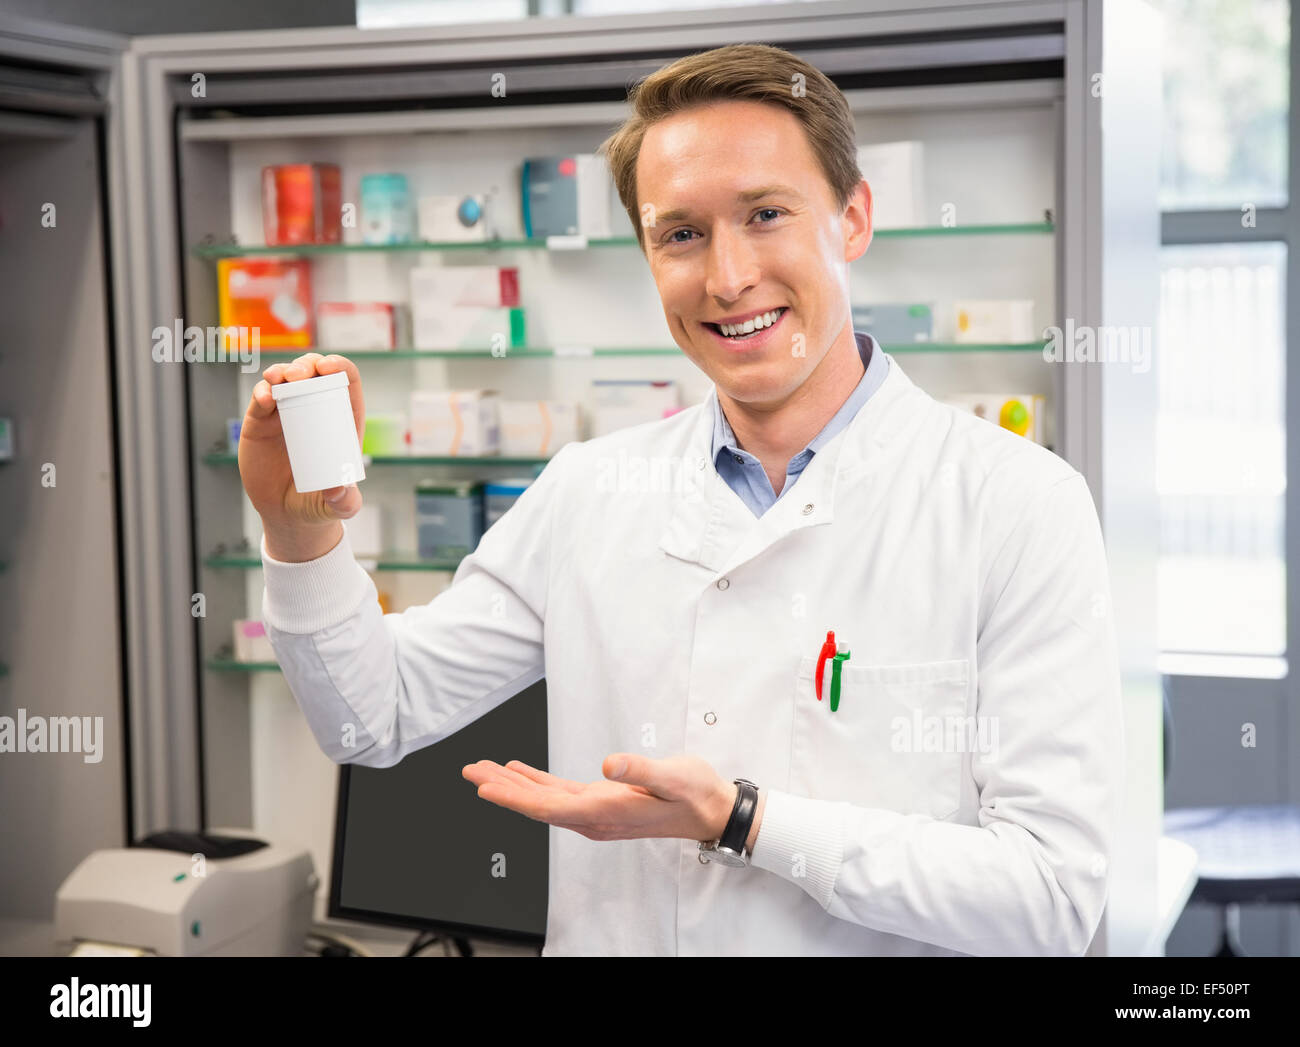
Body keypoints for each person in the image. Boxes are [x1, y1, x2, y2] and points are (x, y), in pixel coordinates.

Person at [239, 42, 1123, 957]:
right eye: (682, 233)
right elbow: (368, 716)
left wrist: (743, 819)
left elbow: (1052, 897)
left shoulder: (1017, 504)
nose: (727, 277)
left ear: (852, 217)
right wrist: (299, 534)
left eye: (767, 213)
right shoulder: (590, 489)